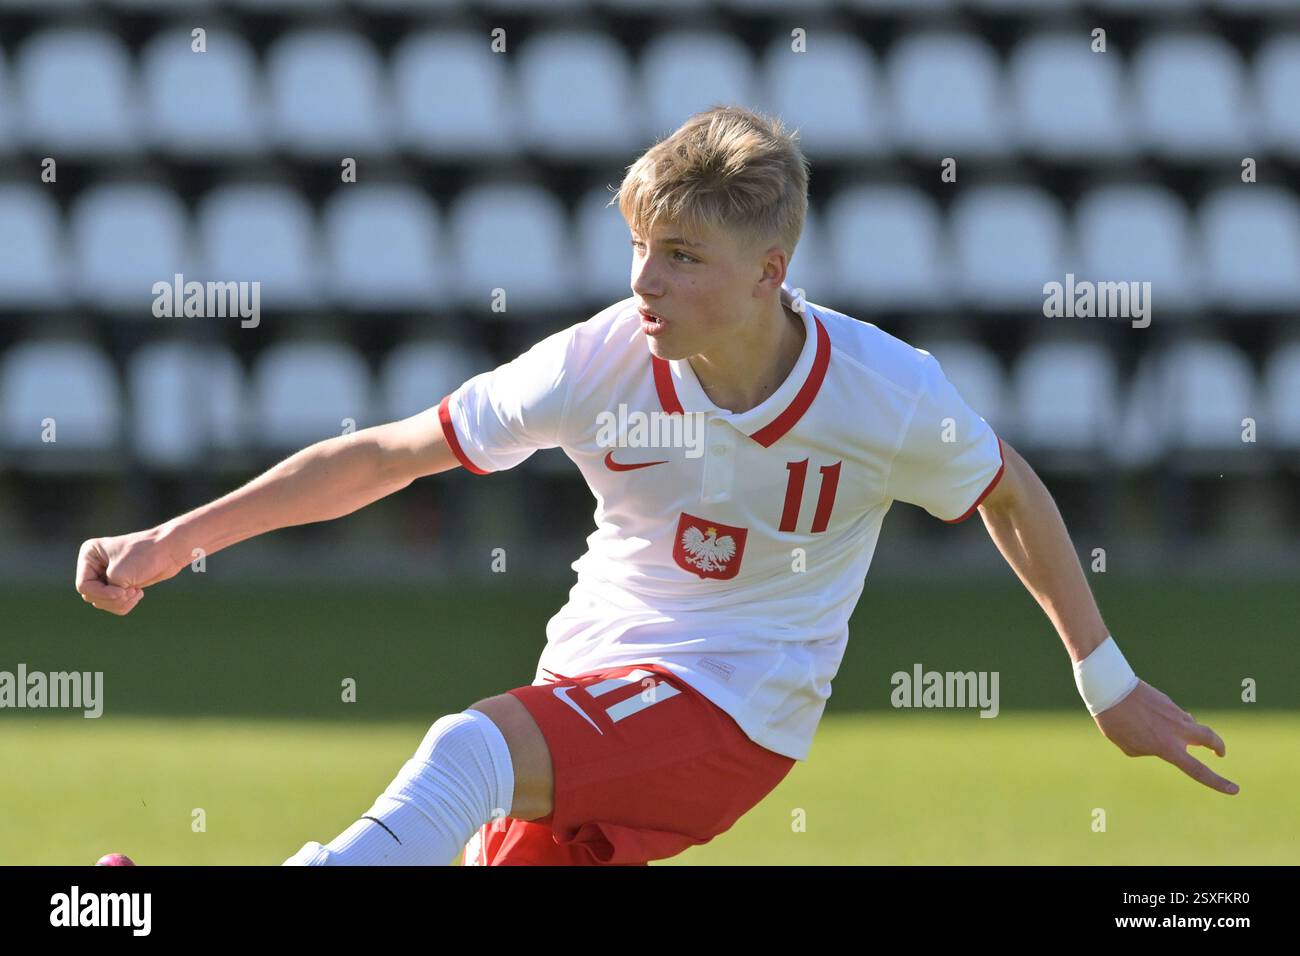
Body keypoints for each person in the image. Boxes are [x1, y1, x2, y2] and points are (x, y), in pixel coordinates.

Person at [74, 105, 1237, 867]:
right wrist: (180, 536)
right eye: (638, 246)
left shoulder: (882, 389)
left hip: (737, 704)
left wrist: (1105, 678)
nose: (646, 279)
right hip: (592, 679)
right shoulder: (601, 356)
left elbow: (1004, 487)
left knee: (464, 748)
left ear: (769, 269)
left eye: (681, 256)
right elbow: (392, 451)